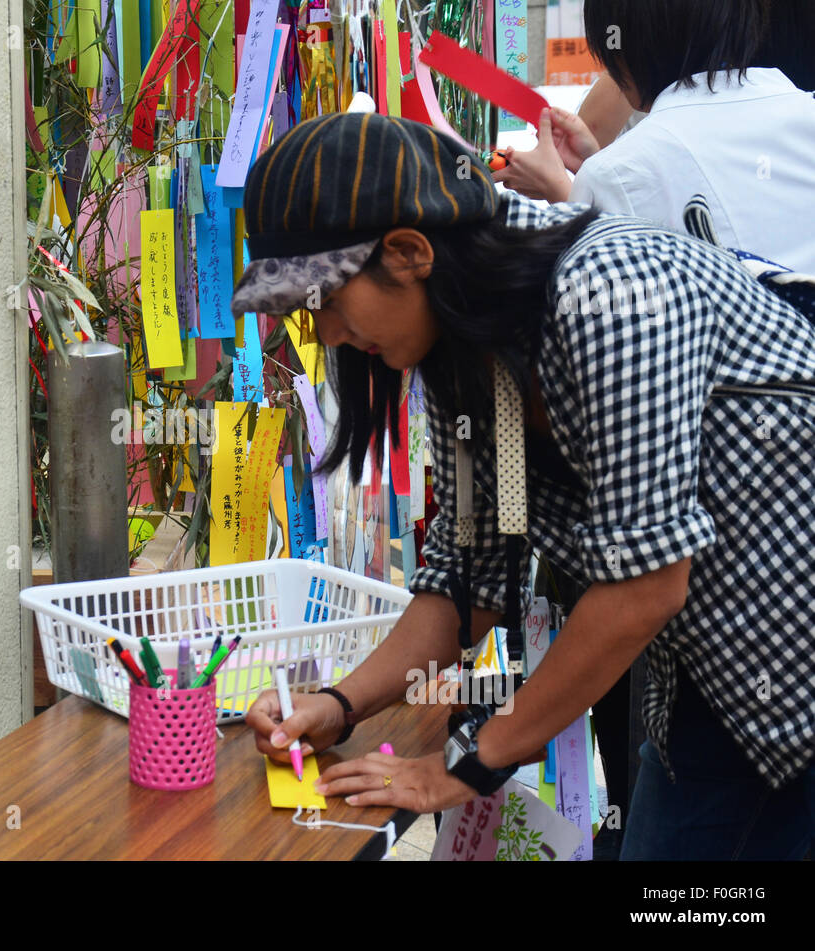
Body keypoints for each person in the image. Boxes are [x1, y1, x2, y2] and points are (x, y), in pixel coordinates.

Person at [235, 112, 815, 860]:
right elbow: (469, 573)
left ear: (409, 252)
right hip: (717, 686)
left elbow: (646, 588)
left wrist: (469, 764)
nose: (328, 336)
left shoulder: (611, 294)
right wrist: (338, 705)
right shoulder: (463, 344)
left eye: (327, 302)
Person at [493, 0, 815, 272]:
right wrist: (596, 166)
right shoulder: (804, 111)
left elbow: (606, 297)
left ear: (621, 54)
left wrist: (565, 190)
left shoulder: (617, 173)